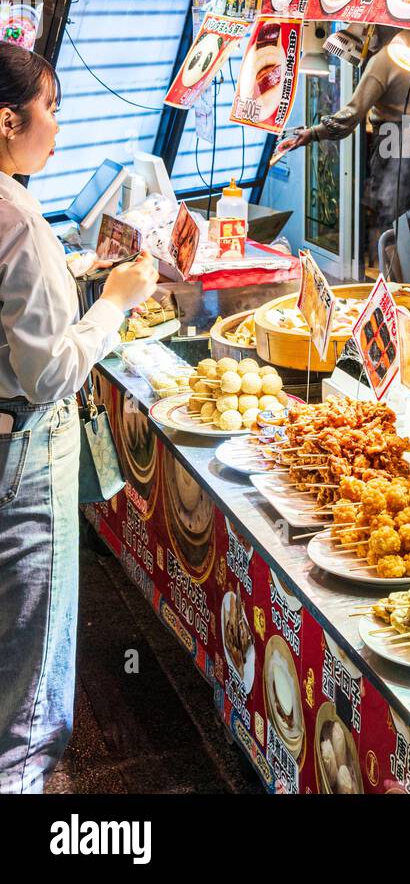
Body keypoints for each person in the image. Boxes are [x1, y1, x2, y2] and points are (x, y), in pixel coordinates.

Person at [0, 44, 158, 794]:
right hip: (24, 453)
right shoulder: (17, 218)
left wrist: (77, 271)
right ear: (8, 119)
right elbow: (51, 373)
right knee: (31, 690)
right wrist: (116, 303)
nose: (58, 125)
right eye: (51, 108)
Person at [275, 27, 410, 244]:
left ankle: (393, 274)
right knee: (403, 216)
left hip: (393, 141)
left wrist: (314, 133)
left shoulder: (385, 59)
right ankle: (401, 271)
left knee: (390, 217)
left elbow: (353, 113)